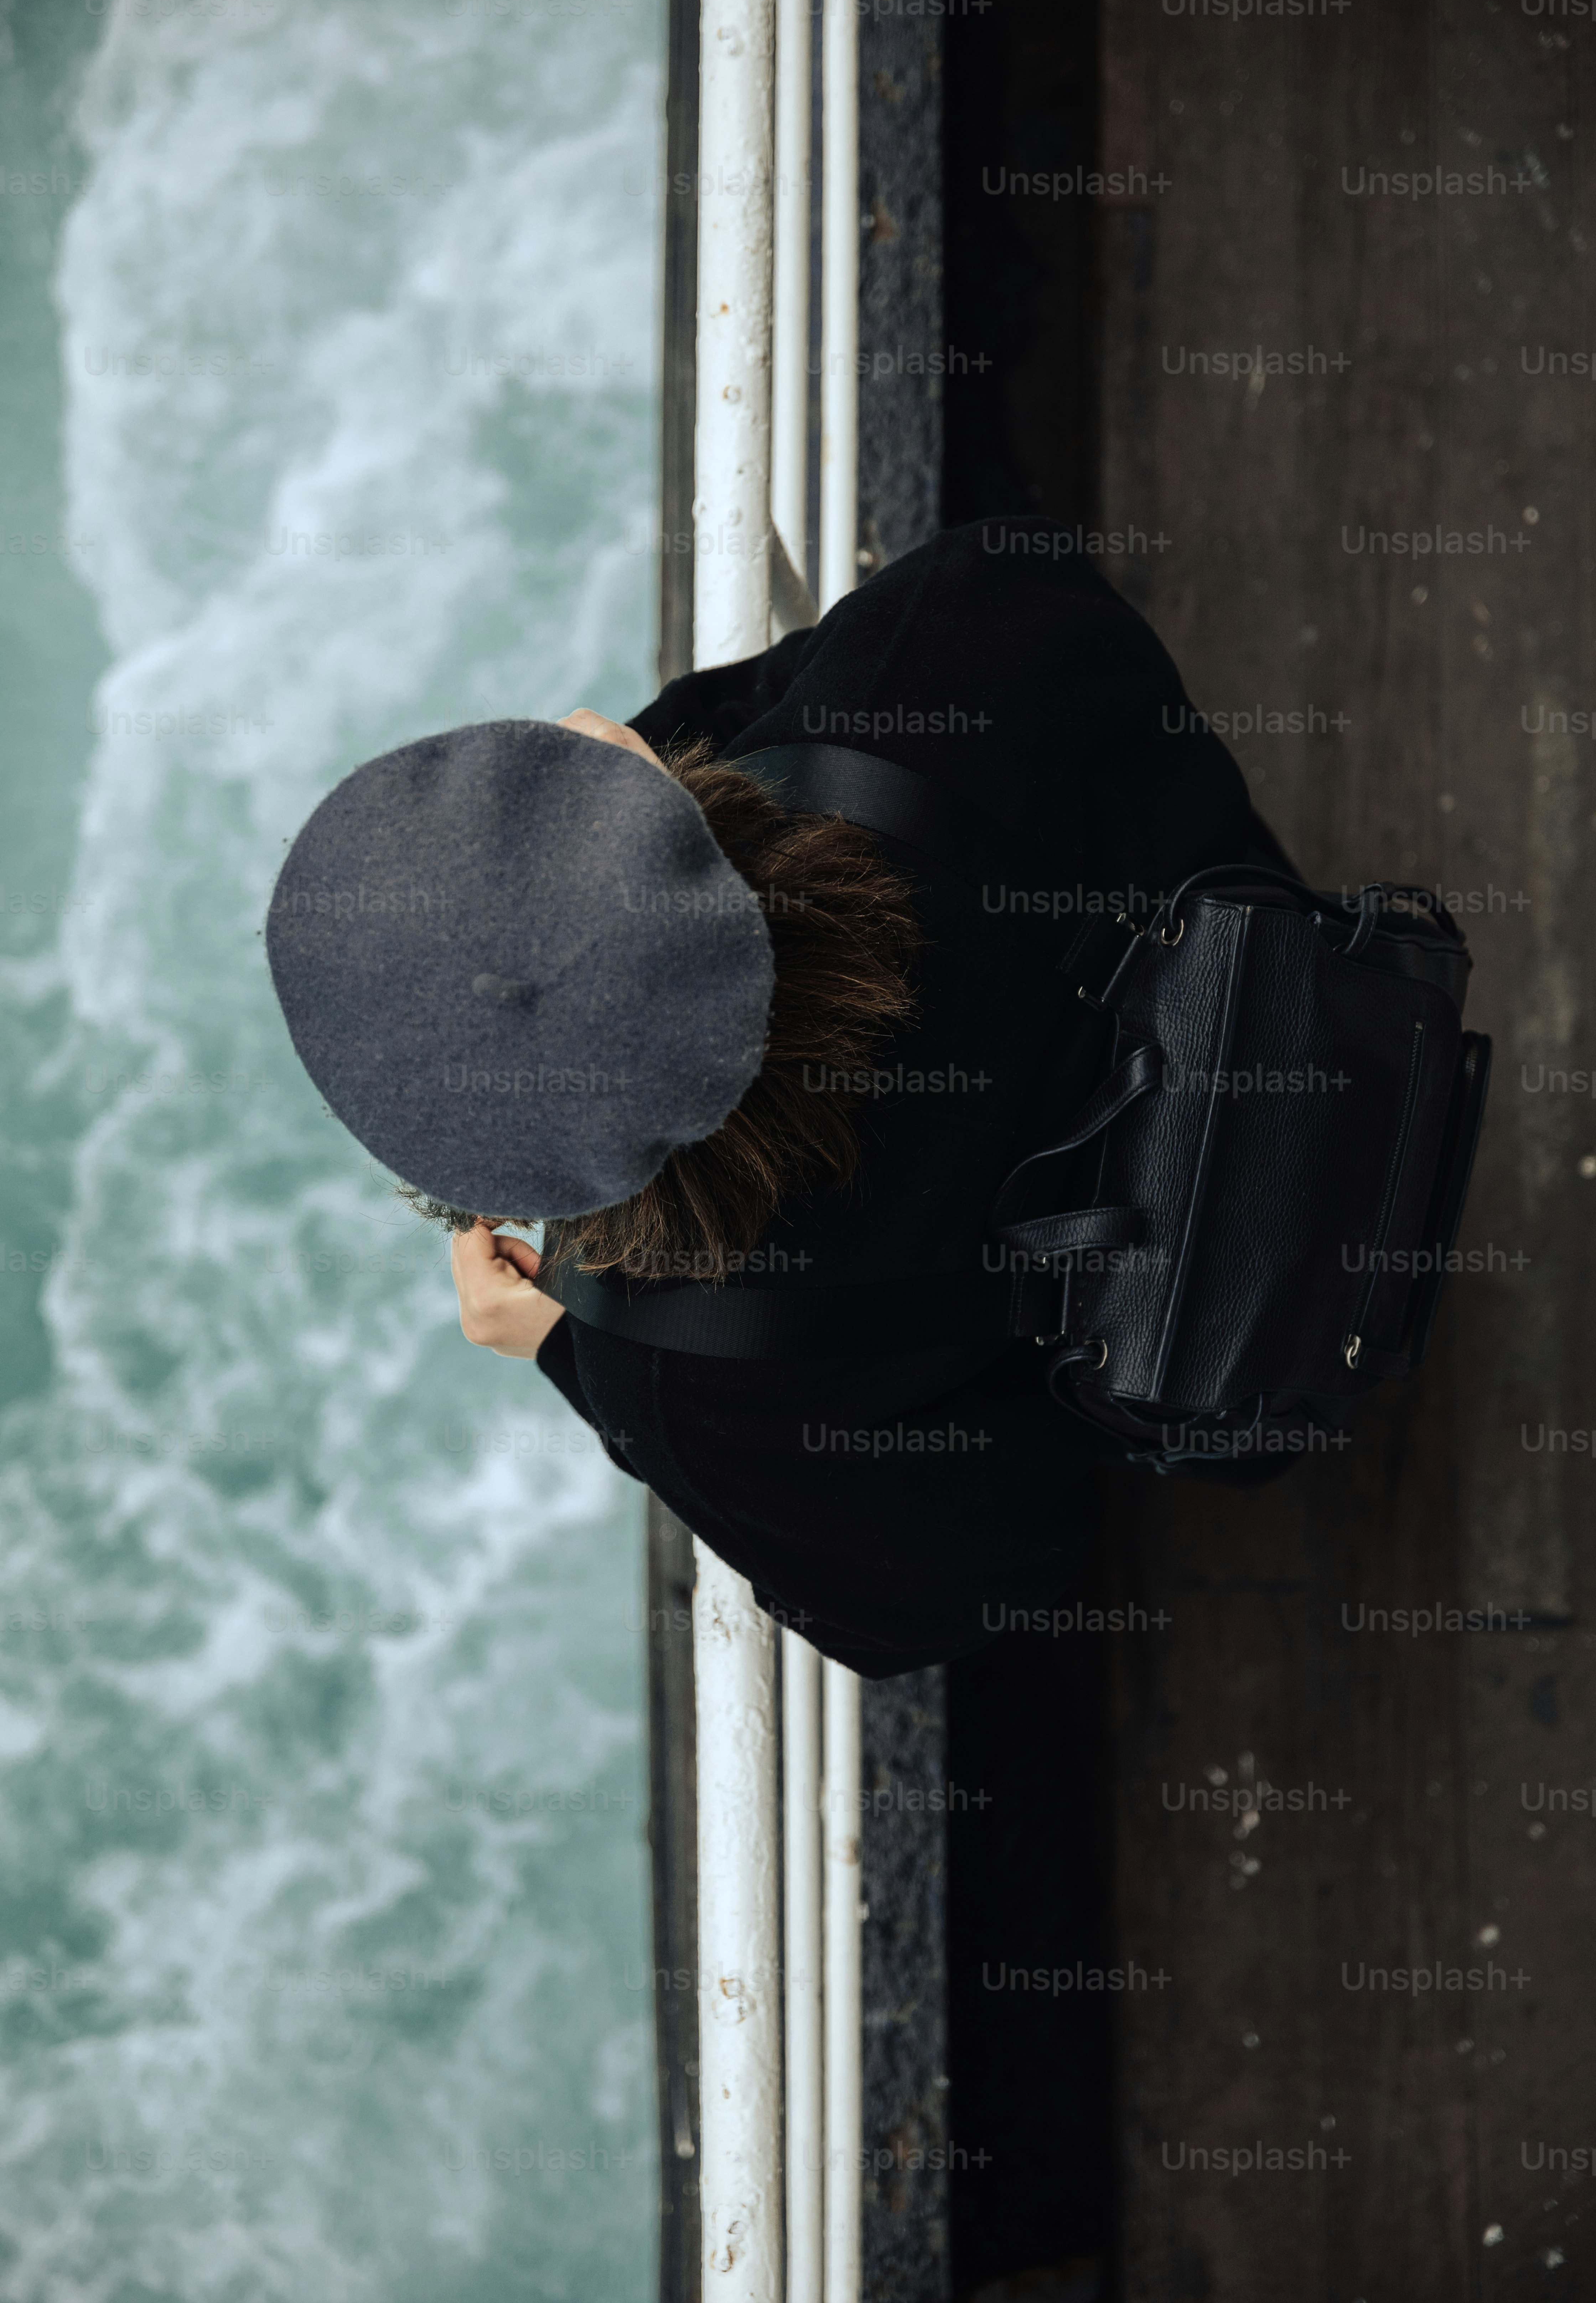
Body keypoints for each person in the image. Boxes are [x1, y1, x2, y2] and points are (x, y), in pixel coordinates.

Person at [269, 517, 1292, 1677]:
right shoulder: (927, 675)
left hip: (1279, 1370)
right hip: (1333, 1006)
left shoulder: (695, 1374)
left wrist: (576, 1351)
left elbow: (965, 1601)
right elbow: (1071, 623)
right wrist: (678, 776)